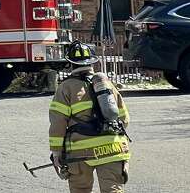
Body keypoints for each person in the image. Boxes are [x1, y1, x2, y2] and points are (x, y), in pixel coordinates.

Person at [48, 41, 131, 192]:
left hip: (80, 154)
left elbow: (58, 123)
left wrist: (56, 152)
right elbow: (124, 119)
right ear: (93, 62)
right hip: (114, 149)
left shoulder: (65, 88)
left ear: (70, 64)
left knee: (81, 189)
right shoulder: (107, 85)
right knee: (113, 190)